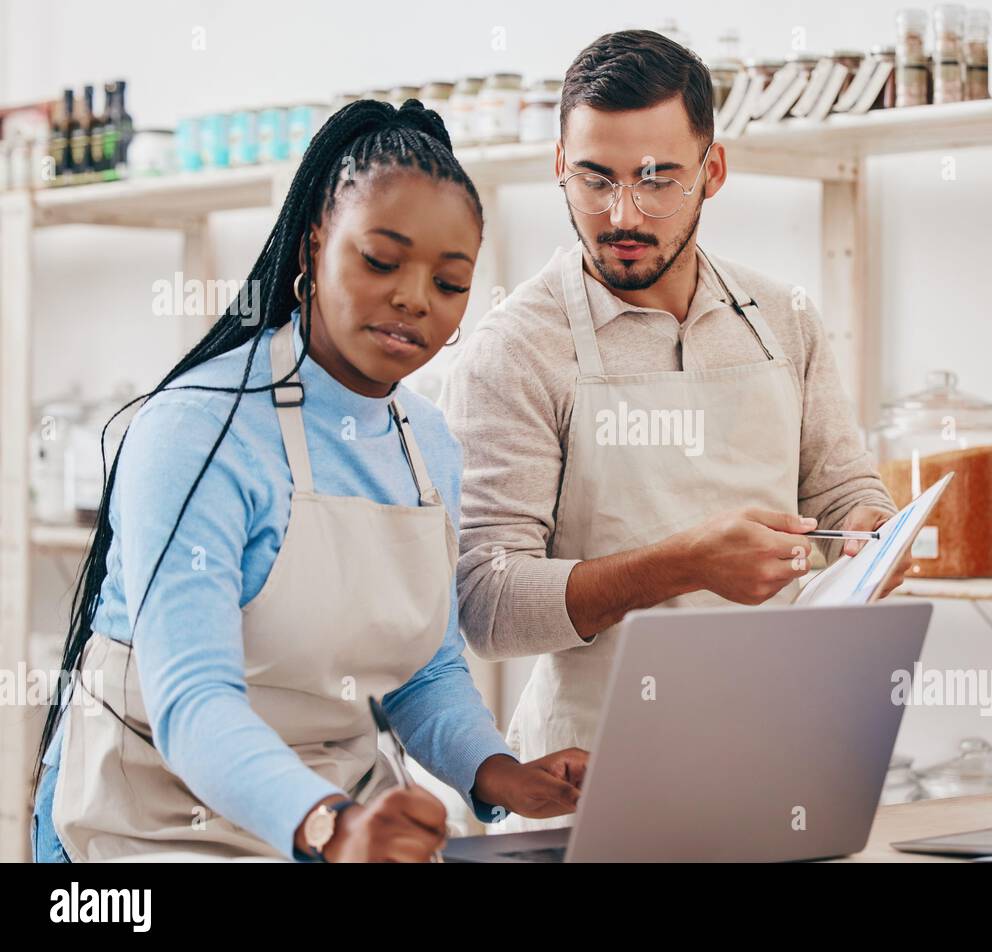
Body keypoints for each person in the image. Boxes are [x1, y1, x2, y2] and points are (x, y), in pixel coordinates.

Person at [31, 98, 585, 863]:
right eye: (381, 261)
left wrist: (498, 775)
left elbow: (423, 669)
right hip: (150, 815)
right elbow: (192, 704)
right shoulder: (199, 430)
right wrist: (327, 826)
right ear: (314, 245)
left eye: (450, 282)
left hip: (343, 807)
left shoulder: (427, 444)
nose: (414, 299)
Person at [443, 31, 904, 833]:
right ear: (560, 164)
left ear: (712, 172)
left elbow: (844, 490)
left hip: (782, 764)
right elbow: (486, 604)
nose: (624, 215)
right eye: (596, 179)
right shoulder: (513, 349)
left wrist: (869, 533)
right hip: (591, 792)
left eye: (658, 180)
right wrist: (683, 565)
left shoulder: (783, 320)